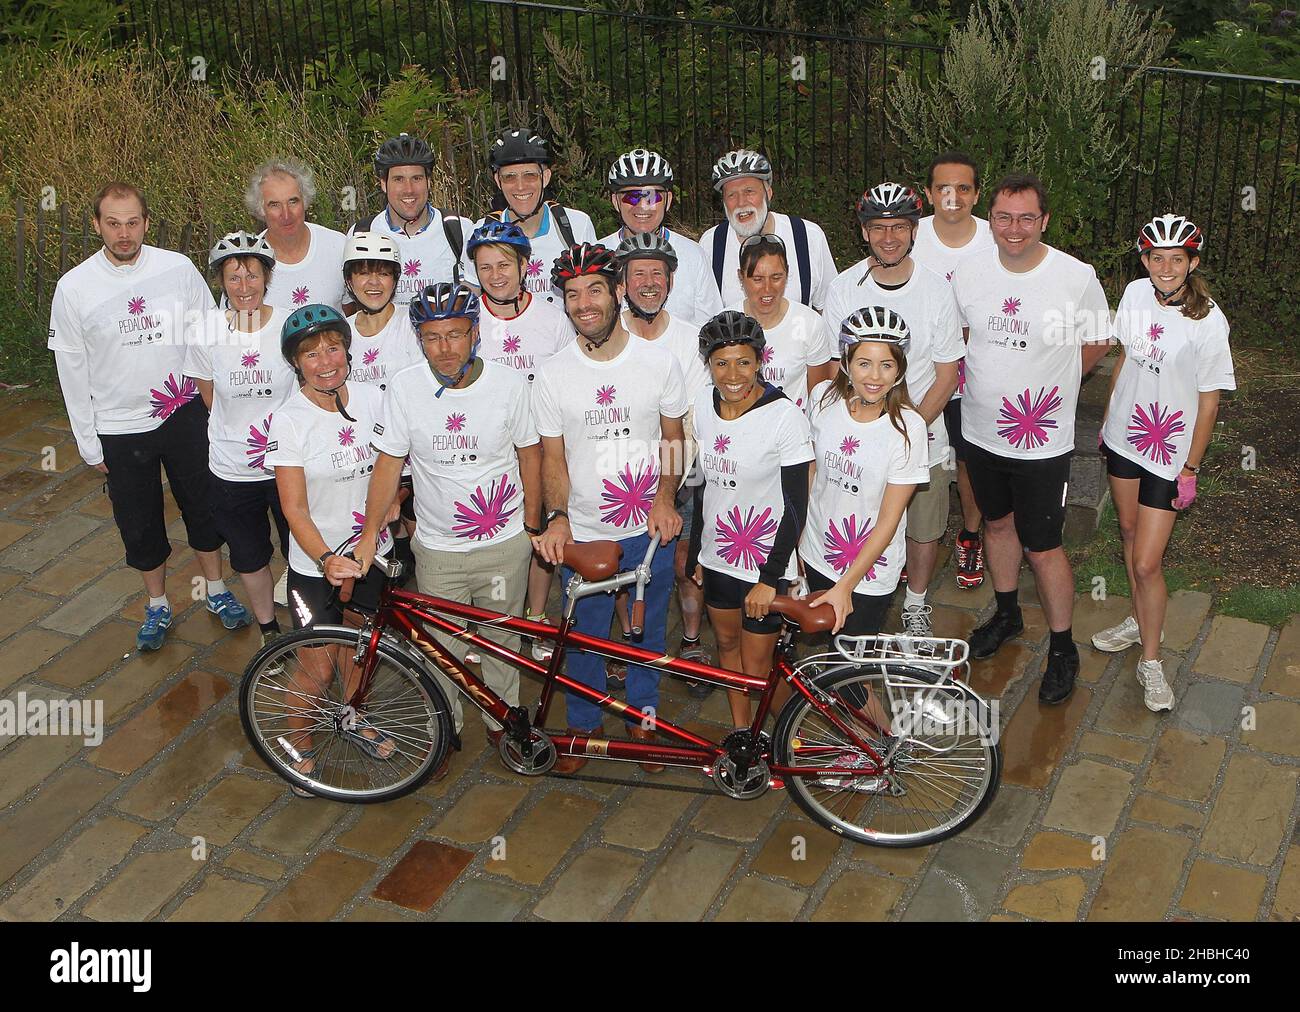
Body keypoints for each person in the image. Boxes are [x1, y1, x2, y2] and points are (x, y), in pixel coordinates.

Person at [48, 181, 250, 651]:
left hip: (184, 414)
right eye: (114, 224)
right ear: (96, 224)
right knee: (139, 524)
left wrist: (220, 408)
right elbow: (71, 367)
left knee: (204, 507)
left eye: (133, 222)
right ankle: (157, 604)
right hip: (118, 427)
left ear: (146, 222)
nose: (124, 234)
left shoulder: (177, 269)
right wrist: (87, 439)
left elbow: (211, 336)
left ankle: (216, 591)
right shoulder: (74, 288)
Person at [355, 283, 542, 768]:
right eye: (433, 337)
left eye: (456, 335)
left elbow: (530, 454)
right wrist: (369, 533)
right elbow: (388, 464)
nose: (445, 349)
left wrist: (534, 522)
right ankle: (446, 730)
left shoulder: (508, 384)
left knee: (502, 639)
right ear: (419, 338)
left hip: (504, 544)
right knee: (441, 648)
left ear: (475, 333)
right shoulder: (404, 387)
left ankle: (507, 724)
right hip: (437, 549)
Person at [949, 174, 1111, 704]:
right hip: (979, 430)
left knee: (1043, 546)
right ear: (989, 220)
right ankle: (1008, 614)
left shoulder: (1074, 276)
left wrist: (1060, 383)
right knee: (996, 525)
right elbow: (963, 337)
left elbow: (1098, 339)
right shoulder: (968, 273)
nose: (1013, 229)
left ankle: (1063, 648)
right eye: (1003, 217)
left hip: (1041, 442)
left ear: (1043, 221)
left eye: (1025, 218)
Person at [532, 243, 687, 775]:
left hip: (647, 530)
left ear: (617, 292)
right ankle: (583, 728)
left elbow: (674, 438)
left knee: (647, 634)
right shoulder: (551, 374)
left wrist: (666, 498)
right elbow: (553, 455)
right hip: (585, 534)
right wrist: (558, 517)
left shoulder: (658, 363)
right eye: (572, 295)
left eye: (594, 290)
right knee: (584, 634)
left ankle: (645, 721)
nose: (584, 304)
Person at [1092, 214, 1235, 712]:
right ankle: (1137, 618)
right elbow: (1126, 359)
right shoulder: (1133, 294)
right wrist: (1110, 418)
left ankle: (1151, 662)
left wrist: (1191, 468)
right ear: (1146, 260)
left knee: (1149, 562)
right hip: (1125, 438)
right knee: (1129, 538)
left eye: (1177, 259)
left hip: (1169, 452)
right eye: (1157, 258)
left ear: (1192, 263)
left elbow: (1210, 401)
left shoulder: (1208, 320)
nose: (1166, 267)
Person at [265, 305, 398, 795]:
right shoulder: (289, 421)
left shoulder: (375, 398)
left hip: (372, 555)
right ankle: (296, 745)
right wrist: (325, 559)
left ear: (347, 349)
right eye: (311, 353)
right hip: (315, 565)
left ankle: (353, 717)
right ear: (296, 364)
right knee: (317, 664)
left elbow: (392, 467)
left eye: (333, 348)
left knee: (361, 649)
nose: (325, 360)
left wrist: (392, 505)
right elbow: (293, 510)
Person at [823, 182, 962, 639]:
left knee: (923, 525)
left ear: (914, 231)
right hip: (855, 433)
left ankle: (917, 602)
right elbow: (833, 367)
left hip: (919, 429)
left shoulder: (936, 290)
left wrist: (907, 431)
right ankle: (852, 593)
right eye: (878, 228)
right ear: (864, 233)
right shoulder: (844, 287)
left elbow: (947, 373)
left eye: (899, 227)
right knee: (862, 519)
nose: (888, 237)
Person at [687, 311, 813, 729]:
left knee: (758, 667)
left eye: (743, 361)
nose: (732, 374)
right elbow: (706, 487)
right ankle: (744, 734)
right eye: (721, 363)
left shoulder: (784, 417)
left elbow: (797, 505)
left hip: (765, 562)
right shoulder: (703, 407)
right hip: (718, 557)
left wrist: (769, 576)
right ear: (708, 365)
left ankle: (788, 734)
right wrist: (696, 554)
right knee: (726, 645)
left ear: (759, 360)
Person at [465, 219, 574, 661]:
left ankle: (536, 617)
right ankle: (484, 620)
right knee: (494, 534)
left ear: (525, 265)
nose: (495, 275)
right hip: (493, 449)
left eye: (504, 264)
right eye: (485, 266)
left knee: (542, 530)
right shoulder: (468, 320)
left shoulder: (552, 317)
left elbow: (570, 379)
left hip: (545, 445)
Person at [184, 231, 297, 655]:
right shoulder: (206, 330)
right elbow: (208, 394)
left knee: (299, 550)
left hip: (288, 462)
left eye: (252, 276)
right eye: (234, 278)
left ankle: (310, 627)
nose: (244, 287)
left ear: (267, 277)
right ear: (221, 282)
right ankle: (269, 630)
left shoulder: (289, 323)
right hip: (232, 467)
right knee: (249, 555)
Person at [614, 232, 714, 689]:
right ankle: (628, 643)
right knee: (621, 565)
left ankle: (691, 640)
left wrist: (667, 489)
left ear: (672, 281)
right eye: (639, 274)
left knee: (683, 564)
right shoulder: (608, 335)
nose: (649, 283)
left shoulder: (692, 340)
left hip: (682, 470)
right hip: (618, 474)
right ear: (623, 284)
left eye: (658, 273)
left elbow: (692, 420)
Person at [804, 308, 930, 636]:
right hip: (816, 551)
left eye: (886, 365)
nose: (875, 376)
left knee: (853, 674)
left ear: (900, 369)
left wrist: (847, 585)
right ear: (846, 363)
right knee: (828, 662)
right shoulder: (821, 400)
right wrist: (797, 545)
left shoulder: (908, 429)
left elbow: (889, 519)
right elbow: (810, 474)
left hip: (869, 570)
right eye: (864, 363)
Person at [912, 151, 997, 591]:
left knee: (968, 460)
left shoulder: (994, 237)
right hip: (919, 373)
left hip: (976, 373)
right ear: (928, 194)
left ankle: (969, 535)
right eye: (943, 187)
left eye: (963, 188)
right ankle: (913, 538)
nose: (953, 197)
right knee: (913, 453)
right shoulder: (910, 233)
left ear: (977, 194)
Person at [698, 149, 838, 311]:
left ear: (768, 193)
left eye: (749, 191)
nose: (741, 202)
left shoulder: (807, 237)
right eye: (731, 195)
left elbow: (829, 310)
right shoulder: (712, 244)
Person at [468, 129, 597, 302]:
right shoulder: (480, 232)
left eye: (530, 175)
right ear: (498, 181)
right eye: (510, 177)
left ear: (546, 177)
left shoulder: (576, 225)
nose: (520, 187)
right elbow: (470, 301)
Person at [598, 148, 723, 322]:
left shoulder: (693, 254)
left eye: (652, 196)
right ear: (615, 201)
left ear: (668, 200)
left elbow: (710, 323)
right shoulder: (598, 255)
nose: (642, 205)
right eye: (631, 197)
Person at [728, 234, 836, 410]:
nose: (767, 288)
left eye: (776, 277)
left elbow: (818, 398)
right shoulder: (726, 324)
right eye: (757, 279)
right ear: (741, 277)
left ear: (787, 273)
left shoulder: (810, 324)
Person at [363, 133, 473, 303]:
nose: (409, 189)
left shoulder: (460, 231)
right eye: (398, 179)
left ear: (429, 181)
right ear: (383, 184)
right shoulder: (364, 233)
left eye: (417, 178)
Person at [246, 158, 347, 312]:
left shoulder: (338, 246)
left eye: (293, 202)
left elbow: (354, 313)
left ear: (305, 202)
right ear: (261, 210)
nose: (286, 214)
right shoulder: (247, 261)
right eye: (274, 205)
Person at [342, 231, 420, 390]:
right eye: (363, 273)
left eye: (383, 274)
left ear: (394, 280)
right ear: (349, 280)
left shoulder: (412, 322)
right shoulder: (341, 333)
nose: (374, 283)